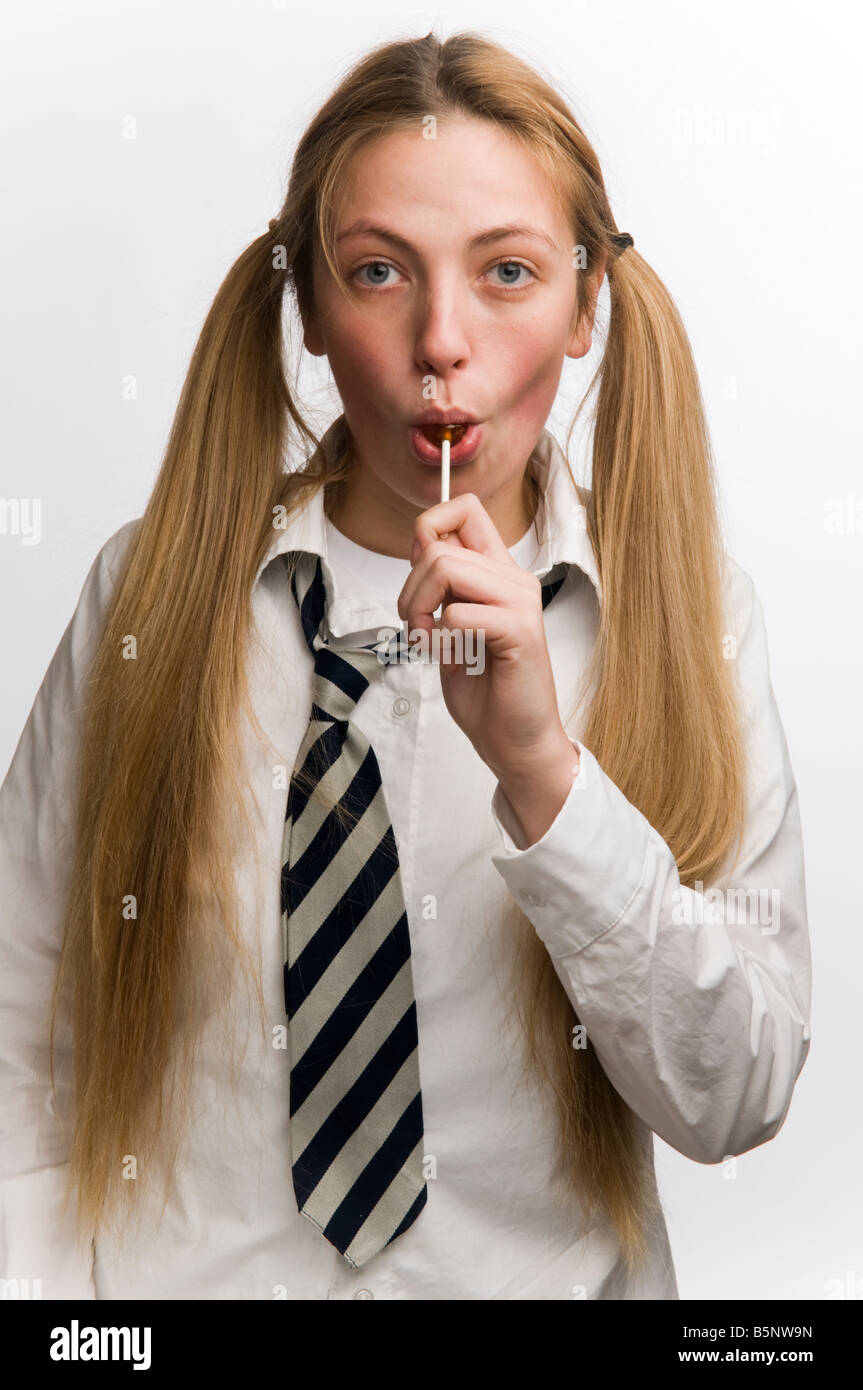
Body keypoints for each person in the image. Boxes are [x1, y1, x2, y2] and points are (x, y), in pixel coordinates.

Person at [0, 30, 811, 1300]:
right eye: (378, 271)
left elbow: (738, 1092)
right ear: (312, 309)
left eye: (506, 272)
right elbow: (18, 1027)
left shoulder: (689, 616)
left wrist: (544, 771)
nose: (442, 340)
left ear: (585, 302)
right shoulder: (146, 594)